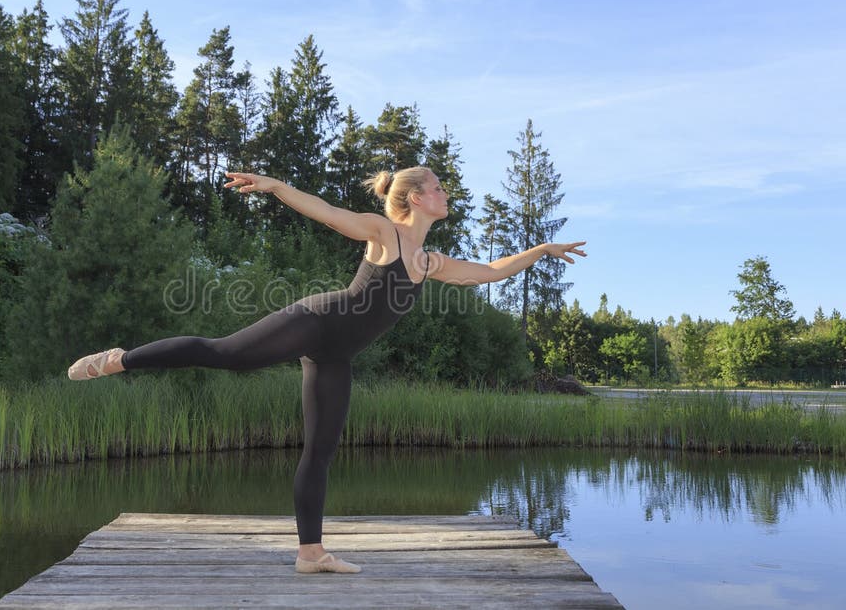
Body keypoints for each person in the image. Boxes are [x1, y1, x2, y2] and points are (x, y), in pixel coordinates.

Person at [67, 167, 586, 574]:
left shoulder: (429, 261)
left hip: (337, 355)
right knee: (227, 355)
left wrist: (542, 249)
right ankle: (121, 359)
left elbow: (491, 272)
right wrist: (274, 186)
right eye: (438, 187)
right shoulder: (385, 232)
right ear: (414, 198)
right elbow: (325, 212)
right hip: (316, 322)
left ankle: (311, 553)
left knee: (320, 451)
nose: (445, 193)